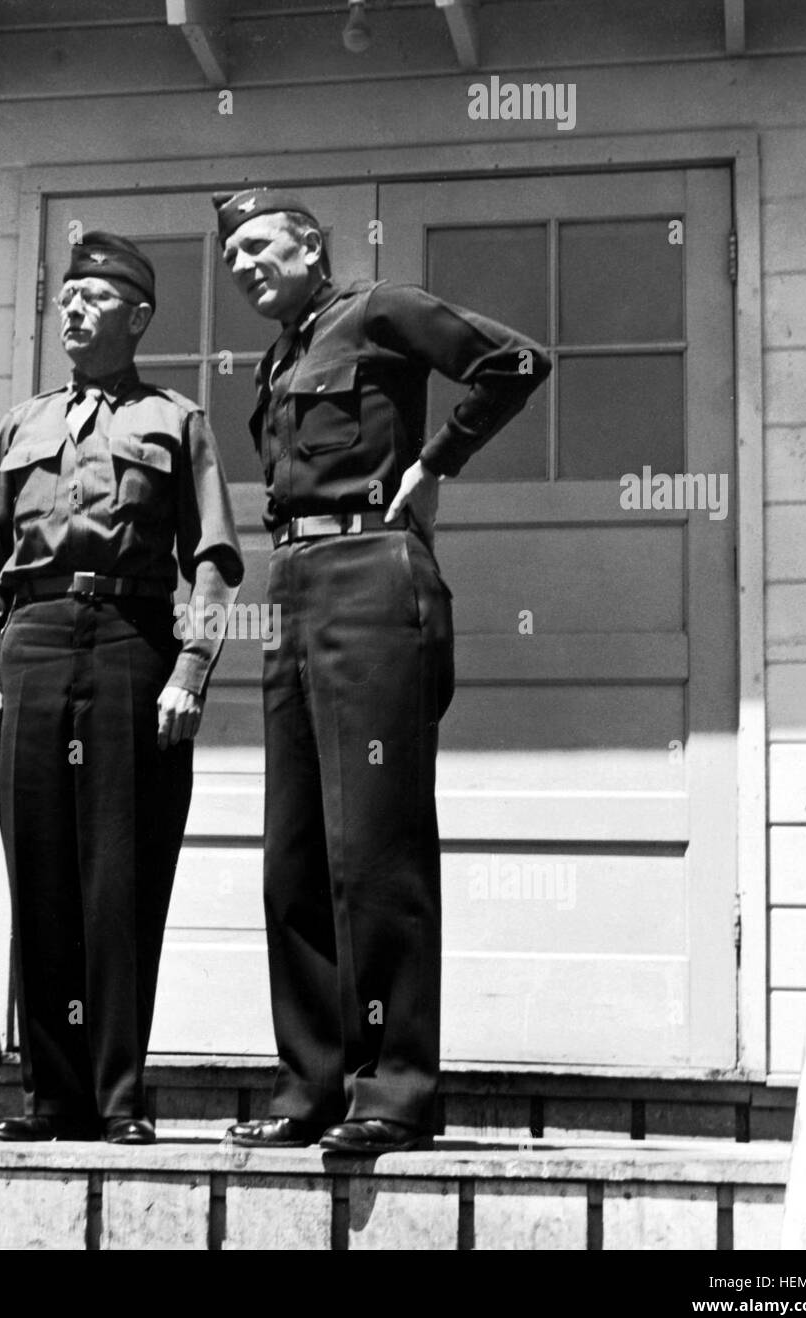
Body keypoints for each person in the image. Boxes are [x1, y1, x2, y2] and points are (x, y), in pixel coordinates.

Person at [213, 188, 551, 1153]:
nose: (242, 265)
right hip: (295, 581)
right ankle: (310, 1087)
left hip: (372, 569)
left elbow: (517, 360)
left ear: (311, 245)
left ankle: (394, 1091)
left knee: (375, 849)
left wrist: (437, 460)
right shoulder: (284, 354)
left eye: (259, 245)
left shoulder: (376, 310)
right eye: (230, 254)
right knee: (296, 858)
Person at [0, 231, 243, 1144]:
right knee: (40, 870)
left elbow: (214, 561)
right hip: (34, 646)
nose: (72, 310)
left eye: (93, 297)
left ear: (139, 316)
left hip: (132, 644)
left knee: (121, 878)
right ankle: (53, 1097)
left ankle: (119, 1097)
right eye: (66, 296)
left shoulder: (175, 420)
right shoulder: (21, 424)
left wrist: (192, 669)